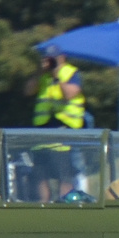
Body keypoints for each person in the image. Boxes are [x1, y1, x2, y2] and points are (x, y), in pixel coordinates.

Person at [24, 44, 86, 200]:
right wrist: (40, 71)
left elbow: (70, 94)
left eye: (53, 58)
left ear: (62, 58)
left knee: (64, 174)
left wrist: (57, 76)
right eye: (47, 58)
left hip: (64, 130)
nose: (50, 61)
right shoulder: (43, 76)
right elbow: (28, 91)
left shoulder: (71, 72)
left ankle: (65, 203)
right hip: (42, 131)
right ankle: (43, 205)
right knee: (40, 174)